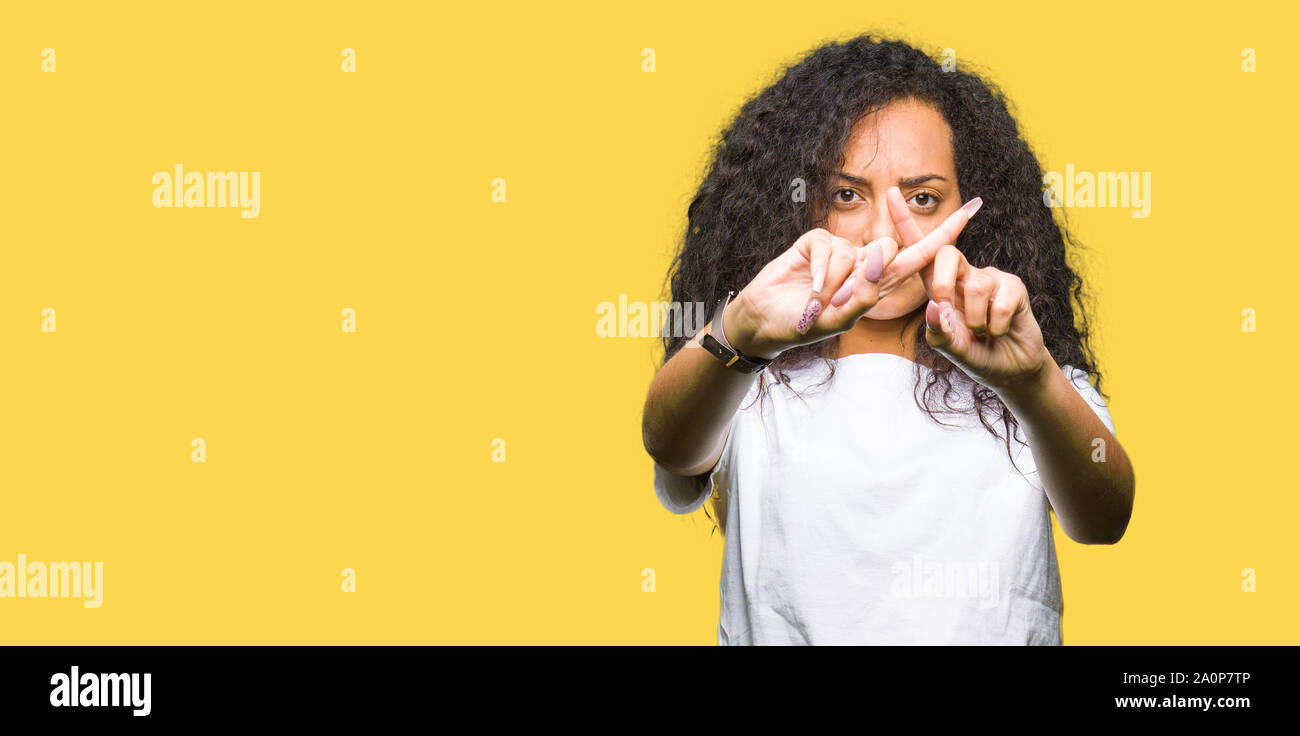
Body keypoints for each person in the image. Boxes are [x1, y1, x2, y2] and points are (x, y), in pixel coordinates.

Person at [641, 35, 1136, 645]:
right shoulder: (747, 370)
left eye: (922, 199)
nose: (884, 232)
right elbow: (670, 447)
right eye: (847, 196)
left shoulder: (1022, 363)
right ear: (797, 206)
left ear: (974, 208)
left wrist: (1030, 383)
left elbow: (1104, 519)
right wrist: (740, 331)